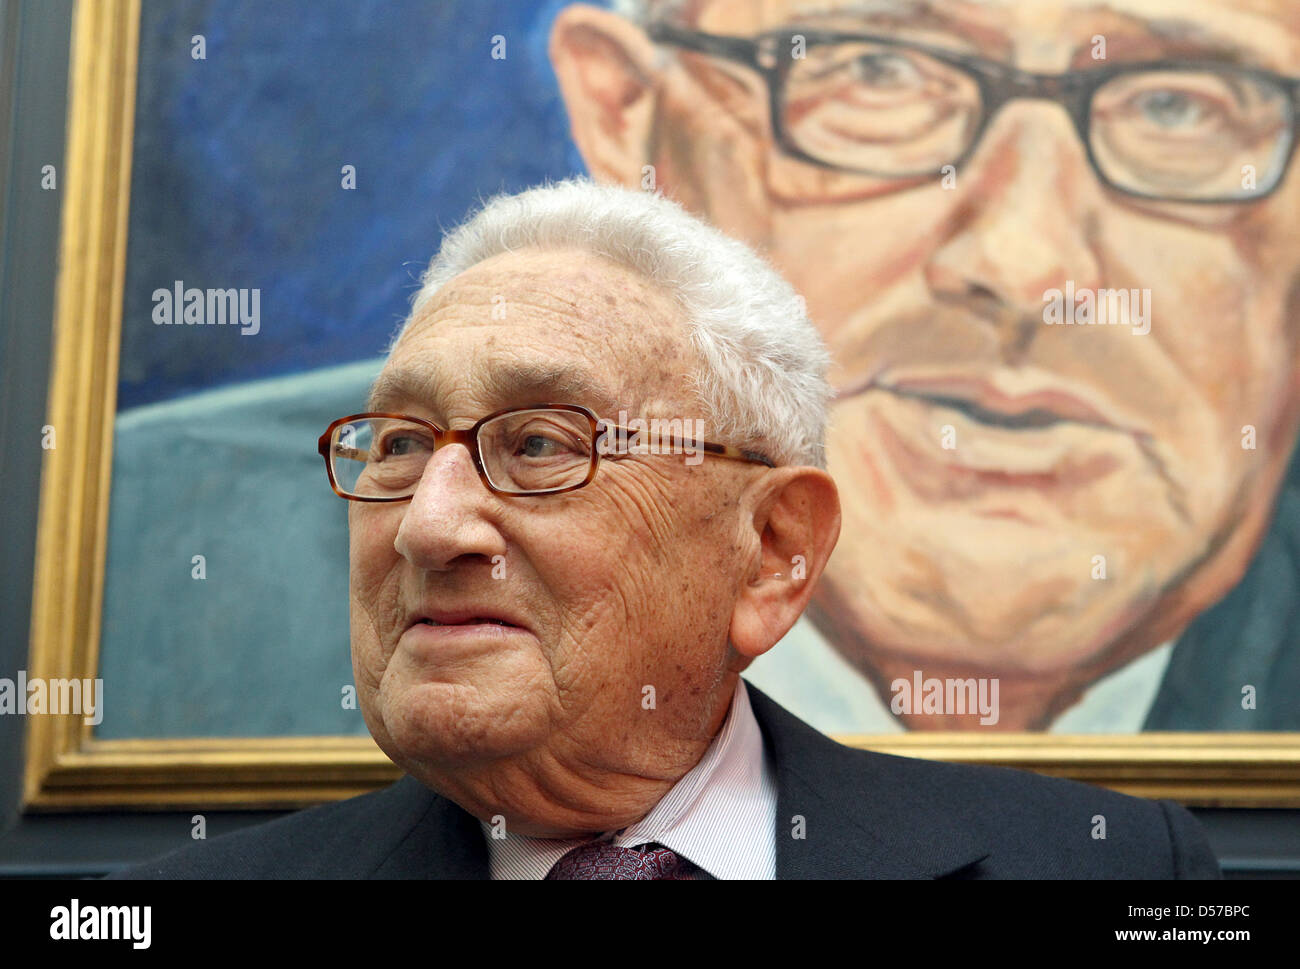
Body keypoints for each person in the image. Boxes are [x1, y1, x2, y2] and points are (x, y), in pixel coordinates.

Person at [109, 181, 1220, 879]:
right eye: (398, 446)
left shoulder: (1104, 870)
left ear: (774, 551)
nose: (427, 527)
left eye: (540, 444)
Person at [547, 0, 1300, 732]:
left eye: (1175, 107)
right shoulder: (480, 594)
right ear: (628, 114)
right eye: (879, 72)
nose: (1024, 265)